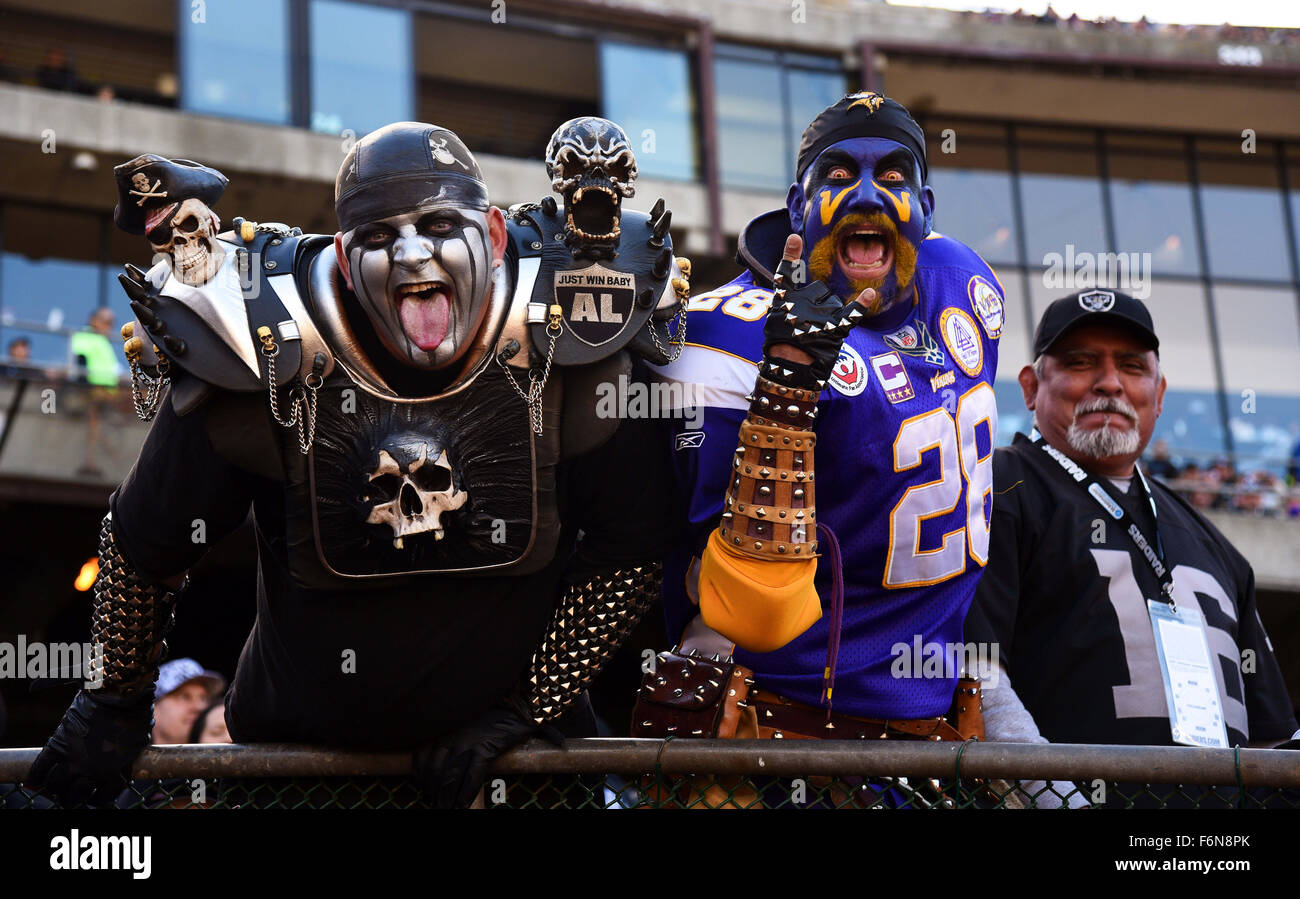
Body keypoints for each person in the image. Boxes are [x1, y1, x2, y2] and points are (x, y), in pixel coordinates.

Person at [27, 119, 689, 809]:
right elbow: (144, 543)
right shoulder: (263, 355)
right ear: (344, 259)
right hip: (297, 773)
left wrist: (528, 705)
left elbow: (634, 547)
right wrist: (116, 695)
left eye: (438, 226)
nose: (411, 256)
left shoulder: (568, 341)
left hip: (513, 771)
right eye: (378, 239)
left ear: (493, 235)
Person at [643, 93, 1002, 761]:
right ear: (797, 204)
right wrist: (785, 388)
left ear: (927, 208)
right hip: (787, 734)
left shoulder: (964, 281)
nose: (868, 197)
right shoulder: (726, 334)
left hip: (938, 734)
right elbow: (727, 601)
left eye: (894, 179)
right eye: (837, 176)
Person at [966, 290, 1297, 803]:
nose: (1109, 382)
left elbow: (1272, 733)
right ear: (1031, 387)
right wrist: (1048, 796)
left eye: (1131, 366)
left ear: (1159, 394)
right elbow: (975, 671)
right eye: (1079, 362)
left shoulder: (1211, 539)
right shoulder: (1000, 486)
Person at [151, 658, 224, 745]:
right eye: (184, 697)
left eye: (203, 698)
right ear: (153, 707)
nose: (199, 707)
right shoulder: (131, 752)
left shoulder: (223, 755)